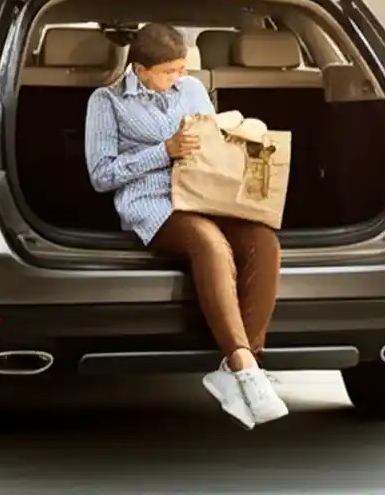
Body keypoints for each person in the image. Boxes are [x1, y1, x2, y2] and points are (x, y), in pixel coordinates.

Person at [83, 23, 287, 429]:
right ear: (140, 69)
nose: (180, 77)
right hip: (152, 202)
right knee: (210, 245)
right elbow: (101, 175)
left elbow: (212, 144)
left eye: (182, 68)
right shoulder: (107, 101)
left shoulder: (191, 89)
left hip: (206, 194)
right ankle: (244, 367)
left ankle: (238, 372)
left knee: (264, 240)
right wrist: (164, 151)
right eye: (169, 71)